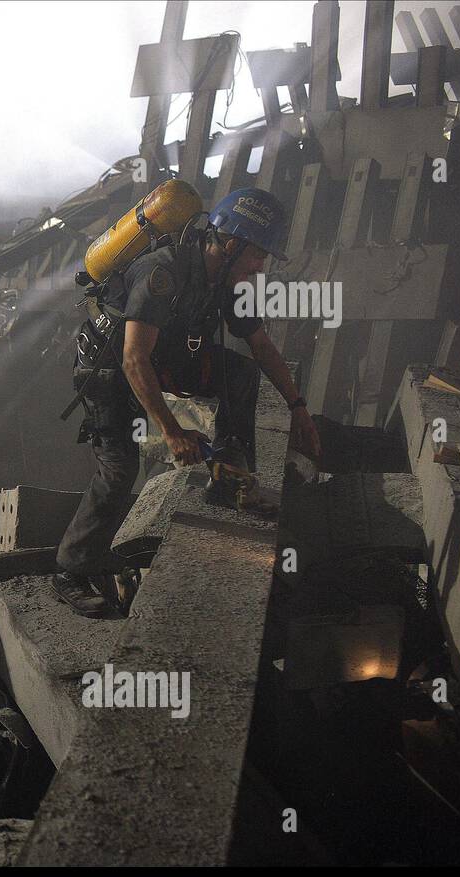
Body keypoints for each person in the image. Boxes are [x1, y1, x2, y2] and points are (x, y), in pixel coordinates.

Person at [52, 187, 322, 618]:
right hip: (108, 370)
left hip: (163, 357)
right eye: (258, 255)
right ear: (232, 244)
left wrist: (298, 407)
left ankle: (230, 475)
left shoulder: (227, 279)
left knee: (241, 373)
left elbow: (261, 347)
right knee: (120, 469)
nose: (261, 265)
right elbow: (132, 358)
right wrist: (172, 432)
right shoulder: (164, 271)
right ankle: (70, 569)